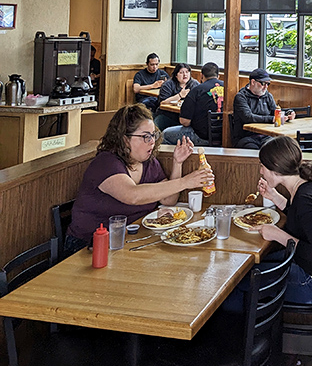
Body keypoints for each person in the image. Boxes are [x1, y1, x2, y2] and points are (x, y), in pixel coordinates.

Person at [65, 103, 213, 254]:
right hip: (87, 246)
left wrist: (178, 163)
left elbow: (168, 200)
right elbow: (133, 195)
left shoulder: (149, 162)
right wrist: (186, 182)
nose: (152, 141)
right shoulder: (106, 162)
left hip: (130, 240)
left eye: (153, 135)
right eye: (145, 137)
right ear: (124, 139)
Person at [256, 136, 312, 303]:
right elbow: (301, 218)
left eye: (262, 166)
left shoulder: (305, 199)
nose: (261, 171)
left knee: (240, 285)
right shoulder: (307, 183)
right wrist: (275, 197)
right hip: (307, 270)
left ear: (276, 169)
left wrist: (277, 234)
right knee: (251, 269)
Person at [162, 62, 223, 146]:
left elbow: (184, 121)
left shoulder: (196, 90)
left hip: (202, 137)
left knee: (165, 135)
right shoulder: (228, 88)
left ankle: (179, 158)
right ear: (218, 76)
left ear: (201, 76)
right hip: (224, 136)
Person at [232, 68, 294, 149]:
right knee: (254, 151)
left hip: (266, 136)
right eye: (263, 83)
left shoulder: (267, 96)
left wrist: (288, 114)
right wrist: (271, 119)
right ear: (253, 82)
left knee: (279, 148)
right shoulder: (241, 97)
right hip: (246, 137)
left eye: (268, 84)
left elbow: (275, 111)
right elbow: (248, 117)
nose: (266, 87)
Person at [154, 63, 200, 133]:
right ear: (176, 75)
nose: (185, 75)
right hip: (167, 115)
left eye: (187, 72)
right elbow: (162, 102)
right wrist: (180, 96)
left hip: (186, 117)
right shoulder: (168, 84)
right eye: (181, 73)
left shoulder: (194, 84)